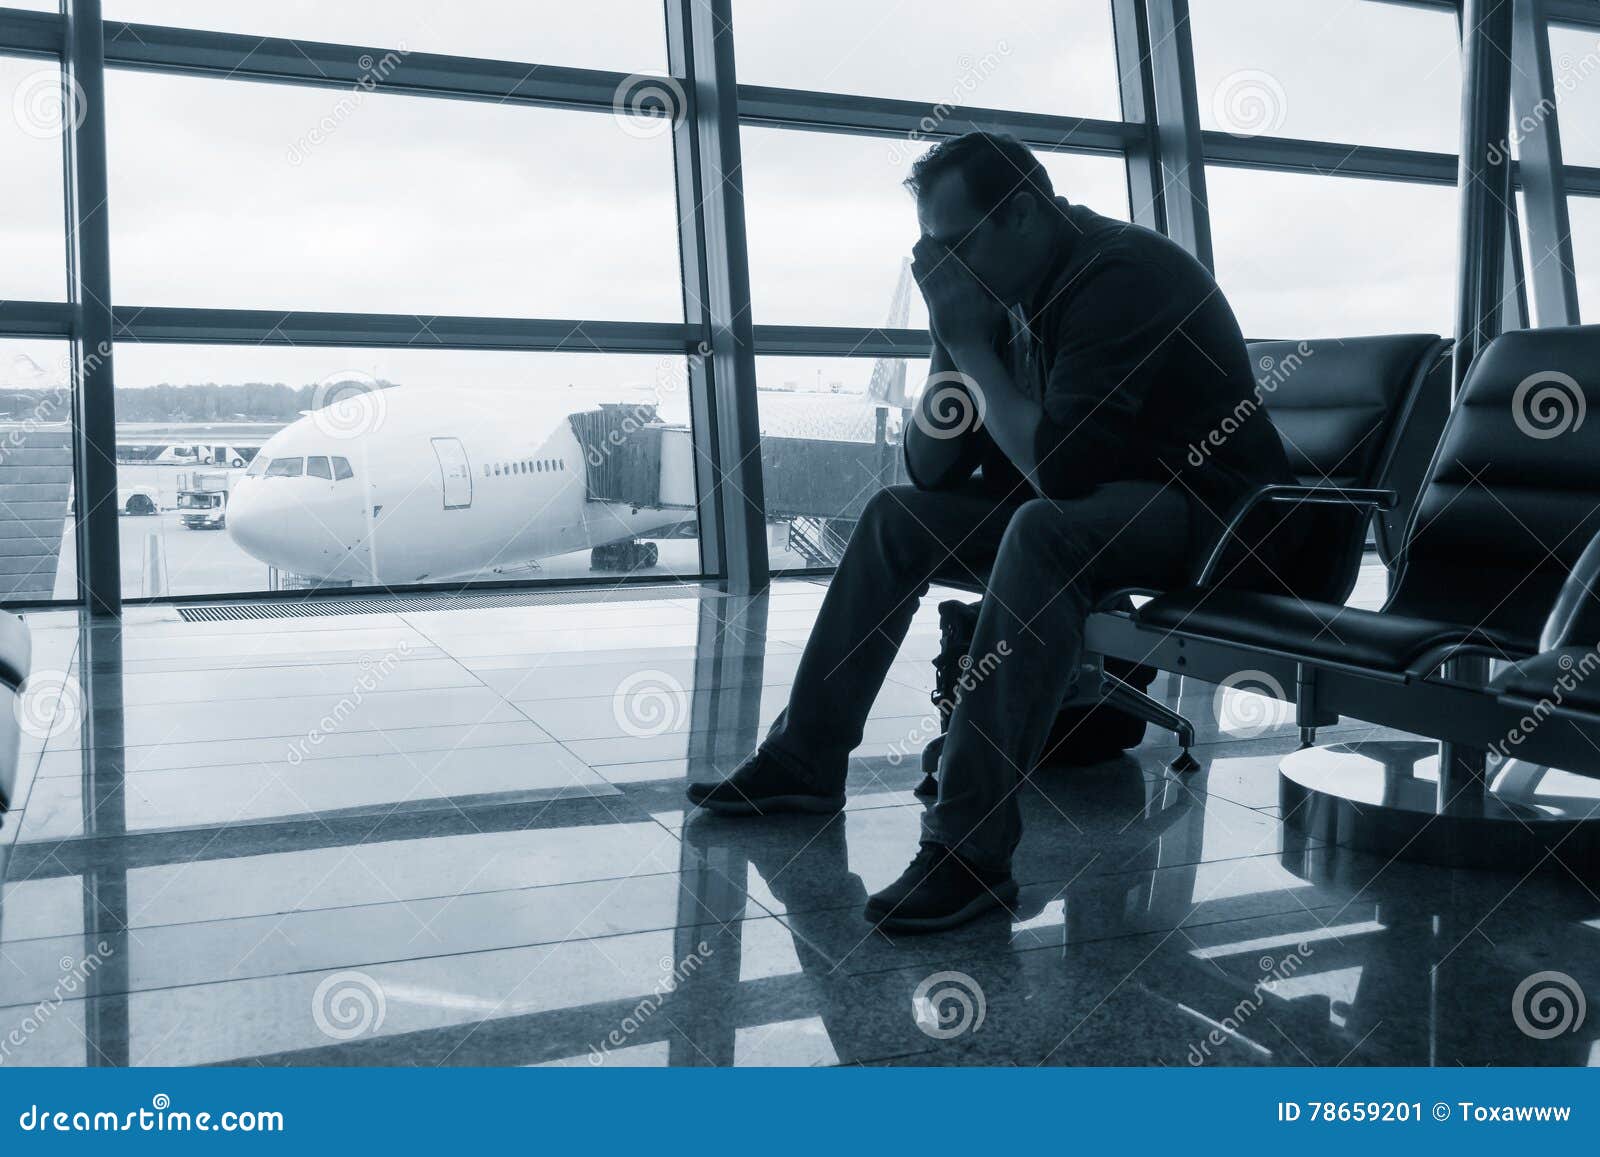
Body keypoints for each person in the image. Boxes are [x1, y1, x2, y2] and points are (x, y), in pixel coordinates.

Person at [687, 131, 1297, 933]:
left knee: (1044, 528)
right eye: (928, 254)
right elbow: (931, 469)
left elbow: (1064, 477)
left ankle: (968, 850)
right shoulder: (1000, 296)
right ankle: (804, 759)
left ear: (1023, 215)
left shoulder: (1120, 275)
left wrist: (973, 342)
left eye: (954, 245)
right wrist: (952, 338)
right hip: (1101, 506)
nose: (942, 270)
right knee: (894, 517)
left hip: (1221, 519)